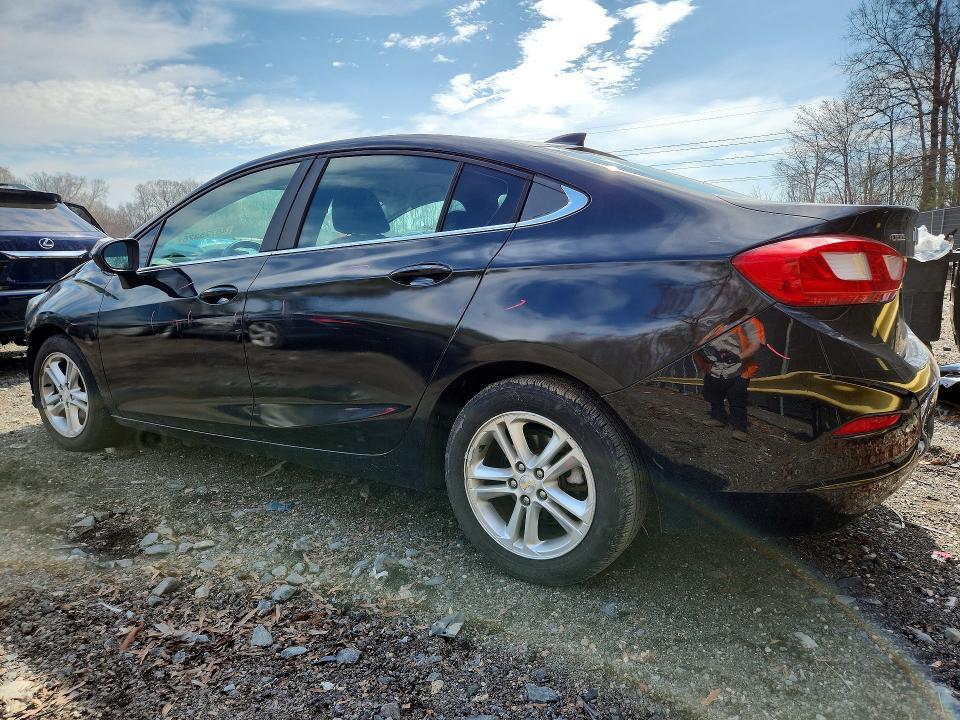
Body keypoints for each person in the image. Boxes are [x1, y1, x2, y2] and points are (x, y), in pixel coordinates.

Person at [694, 312, 765, 442]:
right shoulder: (720, 325)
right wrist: (701, 350)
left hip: (737, 368)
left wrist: (738, 357)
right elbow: (703, 342)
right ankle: (718, 418)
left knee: (737, 398)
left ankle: (740, 427)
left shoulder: (749, 322)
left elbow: (755, 345)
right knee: (712, 394)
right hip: (715, 368)